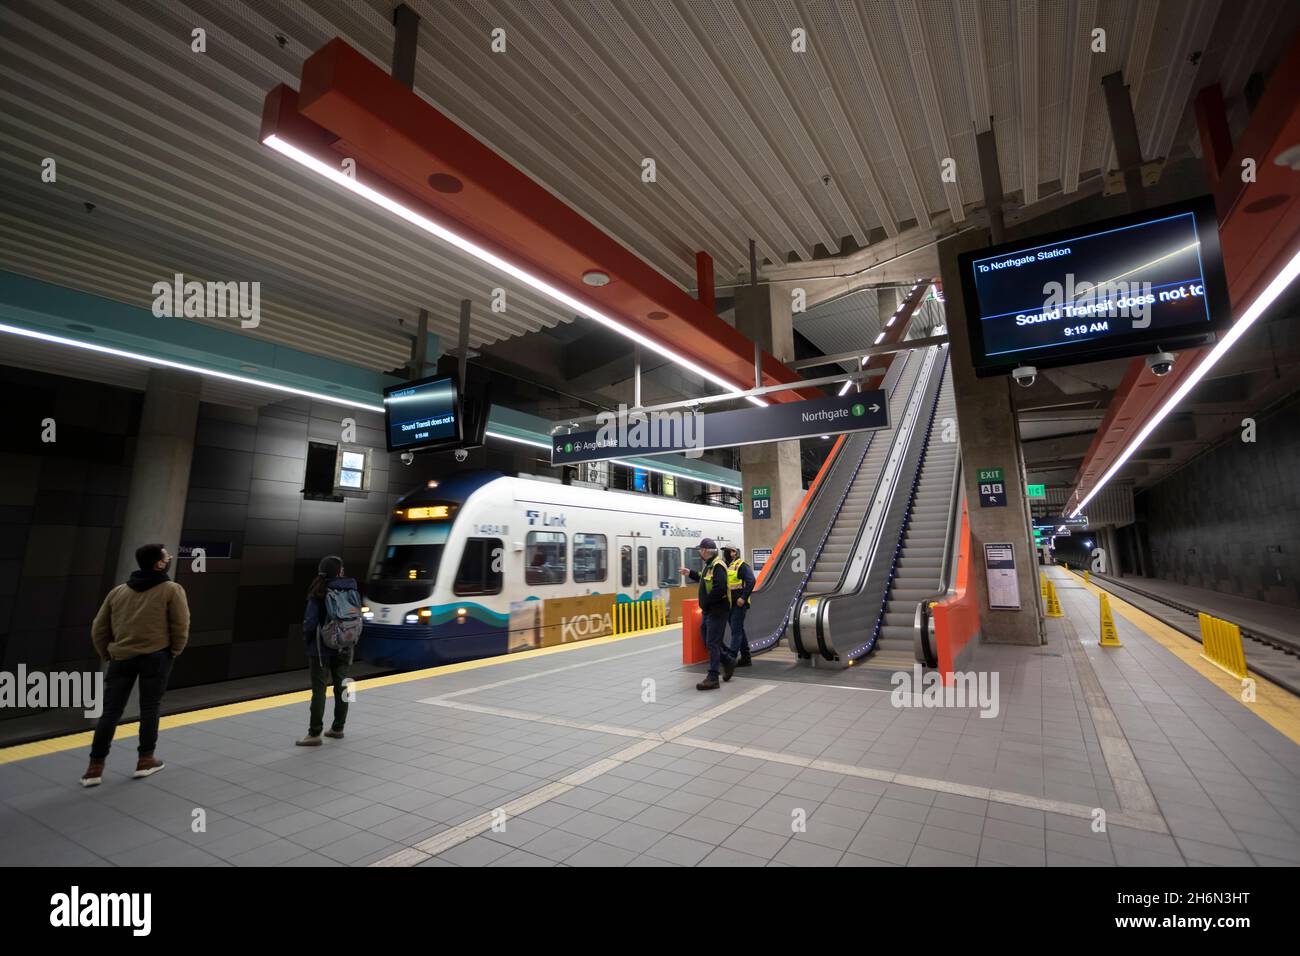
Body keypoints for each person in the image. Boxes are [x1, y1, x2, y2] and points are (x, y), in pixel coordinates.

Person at [80, 543, 190, 787]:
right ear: (159, 564)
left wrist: (108, 653)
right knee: (150, 708)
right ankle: (145, 760)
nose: (170, 557)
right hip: (156, 657)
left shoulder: (118, 592)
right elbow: (180, 626)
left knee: (110, 712)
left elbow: (99, 628)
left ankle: (94, 768)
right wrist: (174, 651)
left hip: (121, 658)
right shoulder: (171, 590)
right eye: (166, 556)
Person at [297, 555, 359, 746]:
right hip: (345, 645)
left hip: (320, 649)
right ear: (339, 571)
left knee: (319, 691)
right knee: (343, 688)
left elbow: (309, 623)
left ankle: (315, 733)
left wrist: (307, 642)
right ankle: (338, 728)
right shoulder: (351, 589)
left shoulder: (319, 590)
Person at [680, 538, 732, 690]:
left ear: (705, 551)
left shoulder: (718, 566)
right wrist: (690, 573)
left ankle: (713, 677)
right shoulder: (709, 566)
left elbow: (720, 588)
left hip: (717, 611)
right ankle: (727, 661)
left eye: (700, 550)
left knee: (712, 643)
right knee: (707, 638)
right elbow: (704, 579)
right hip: (709, 611)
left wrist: (707, 601)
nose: (699, 552)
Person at [722, 546, 756, 667]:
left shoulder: (741, 565)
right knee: (738, 630)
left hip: (739, 604)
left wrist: (743, 597)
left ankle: (731, 658)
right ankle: (746, 658)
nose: (724, 553)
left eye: (727, 551)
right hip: (730, 604)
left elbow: (752, 580)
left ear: (734, 553)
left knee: (736, 631)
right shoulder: (726, 566)